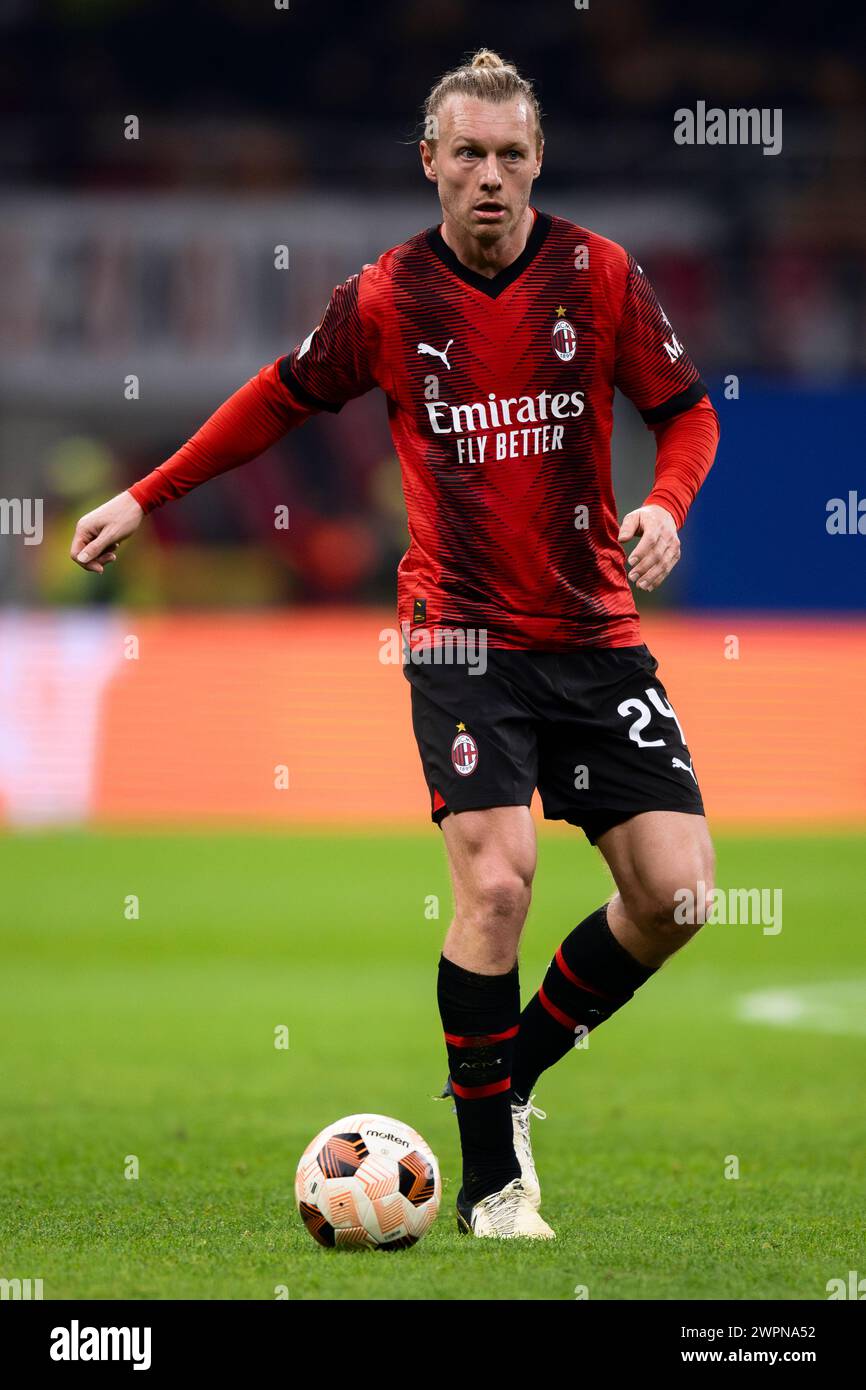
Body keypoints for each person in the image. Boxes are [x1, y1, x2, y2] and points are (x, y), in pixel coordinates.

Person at [71, 49, 719, 1240]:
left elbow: (683, 411)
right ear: (429, 161)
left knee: (675, 896)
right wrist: (146, 496)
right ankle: (489, 1186)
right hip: (460, 636)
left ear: (538, 160)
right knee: (497, 882)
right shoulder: (385, 299)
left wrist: (666, 505)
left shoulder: (596, 274)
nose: (489, 176)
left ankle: (505, 1077)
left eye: (510, 154)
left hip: (593, 632)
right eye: (467, 154)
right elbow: (277, 395)